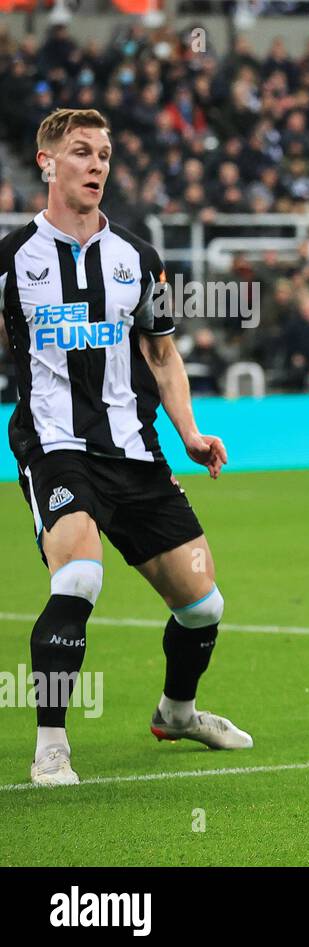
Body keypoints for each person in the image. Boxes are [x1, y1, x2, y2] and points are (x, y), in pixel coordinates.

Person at [0, 109, 251, 787]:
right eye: (81, 152)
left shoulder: (137, 257)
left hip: (135, 448)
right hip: (55, 446)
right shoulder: (11, 260)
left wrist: (190, 432)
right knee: (78, 576)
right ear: (46, 162)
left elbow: (162, 355)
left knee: (203, 606)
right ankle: (51, 742)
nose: (96, 165)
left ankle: (178, 711)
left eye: (105, 154)